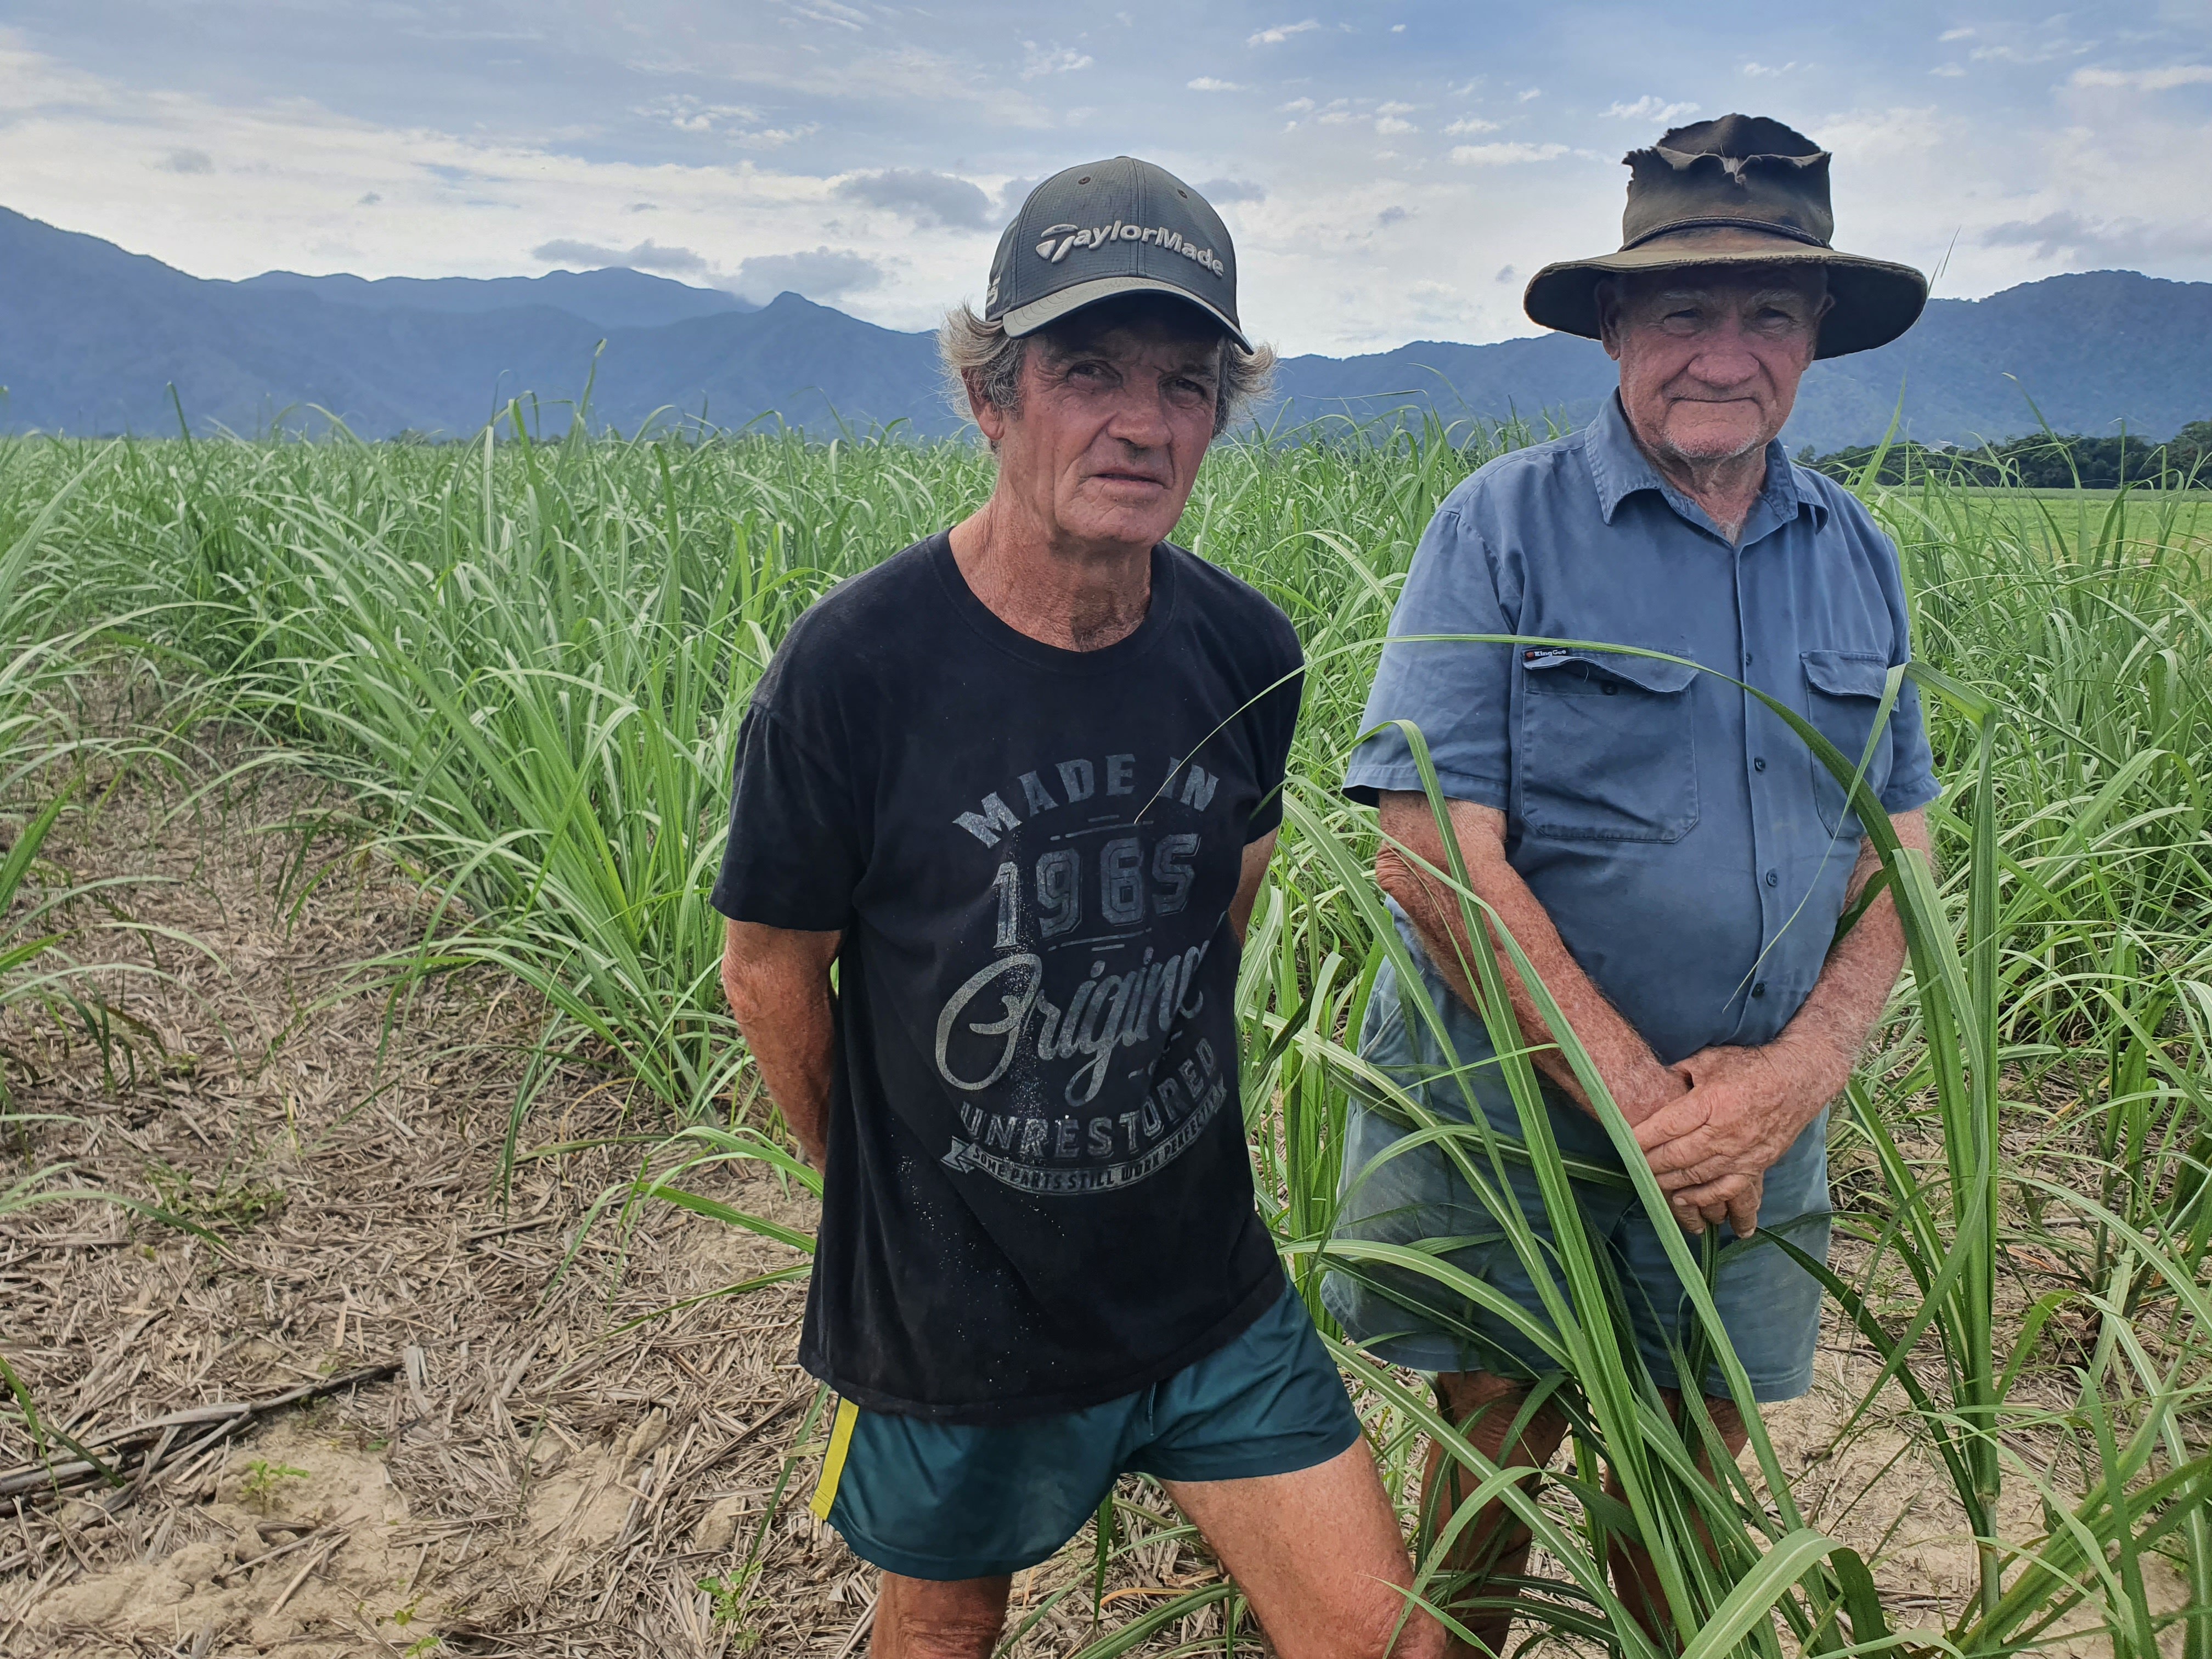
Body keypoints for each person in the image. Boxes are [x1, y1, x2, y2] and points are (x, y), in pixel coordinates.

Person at [714, 156, 1442, 1659]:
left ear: (1220, 415)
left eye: (1185, 383)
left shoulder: (1247, 650)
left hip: (1204, 1285)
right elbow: (770, 970)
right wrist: (882, 1197)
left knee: (1388, 1640)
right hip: (955, 1306)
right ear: (992, 397)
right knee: (942, 1632)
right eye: (1088, 370)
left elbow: (1223, 910)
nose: (1142, 421)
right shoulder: (854, 672)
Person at [1323, 114, 1942, 1654]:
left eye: (1769, 311)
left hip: (1754, 1135)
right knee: (1491, 1468)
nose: (1724, 354)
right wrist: (1656, 1112)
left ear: (1816, 334)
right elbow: (1430, 853)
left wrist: (1792, 1081)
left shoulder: (1856, 552)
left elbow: (1903, 852)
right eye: (1682, 310)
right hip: (1514, 1119)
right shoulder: (1501, 527)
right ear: (1613, 325)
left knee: (1689, 1480)